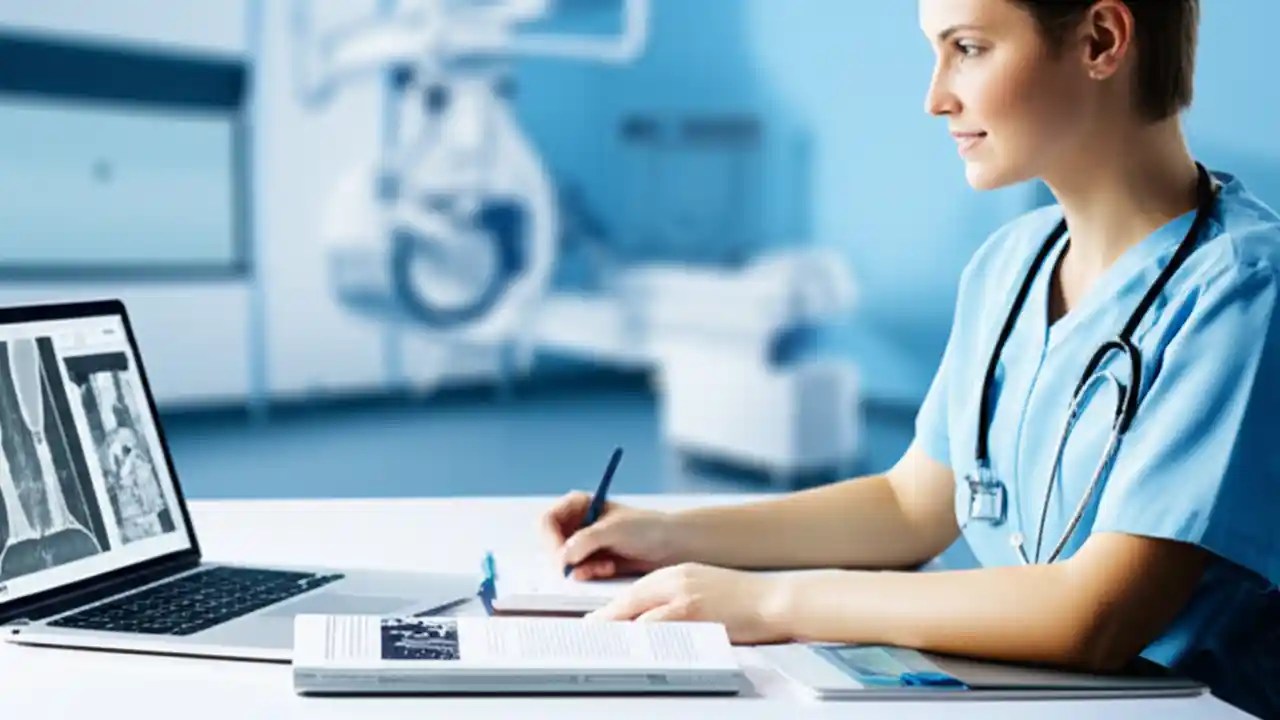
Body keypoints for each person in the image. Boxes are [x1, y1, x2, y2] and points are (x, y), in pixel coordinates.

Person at [539, 0, 1280, 716]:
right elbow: (912, 506)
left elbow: (1095, 616)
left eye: (968, 49)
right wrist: (671, 537)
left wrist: (767, 601)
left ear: (1100, 42)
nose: (934, 99)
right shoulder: (1012, 264)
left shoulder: (1243, 288)